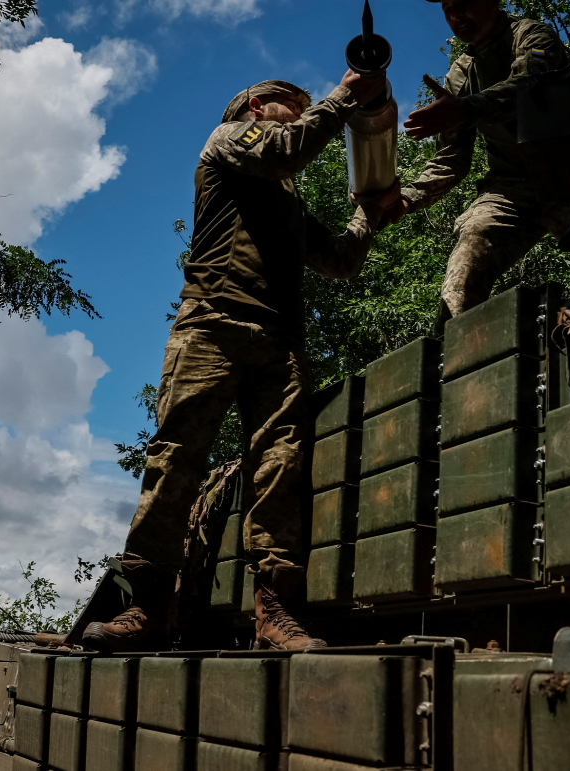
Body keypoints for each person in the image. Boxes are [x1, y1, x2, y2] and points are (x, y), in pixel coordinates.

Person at [84, 71, 395, 653]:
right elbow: (287, 151)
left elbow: (339, 260)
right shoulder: (228, 139)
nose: (303, 115)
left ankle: (273, 614)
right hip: (213, 325)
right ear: (256, 107)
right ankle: (145, 608)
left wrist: (369, 213)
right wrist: (344, 97)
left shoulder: (283, 195)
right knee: (176, 459)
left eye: (309, 108)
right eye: (292, 106)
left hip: (279, 342)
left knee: (280, 467)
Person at [383, 0, 570, 328]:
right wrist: (406, 199)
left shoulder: (532, 36)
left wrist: (466, 109)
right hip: (509, 189)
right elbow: (450, 159)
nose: (456, 16)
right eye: (446, 9)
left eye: (462, 3)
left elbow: (527, 89)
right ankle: (452, 363)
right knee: (467, 260)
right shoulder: (460, 74)